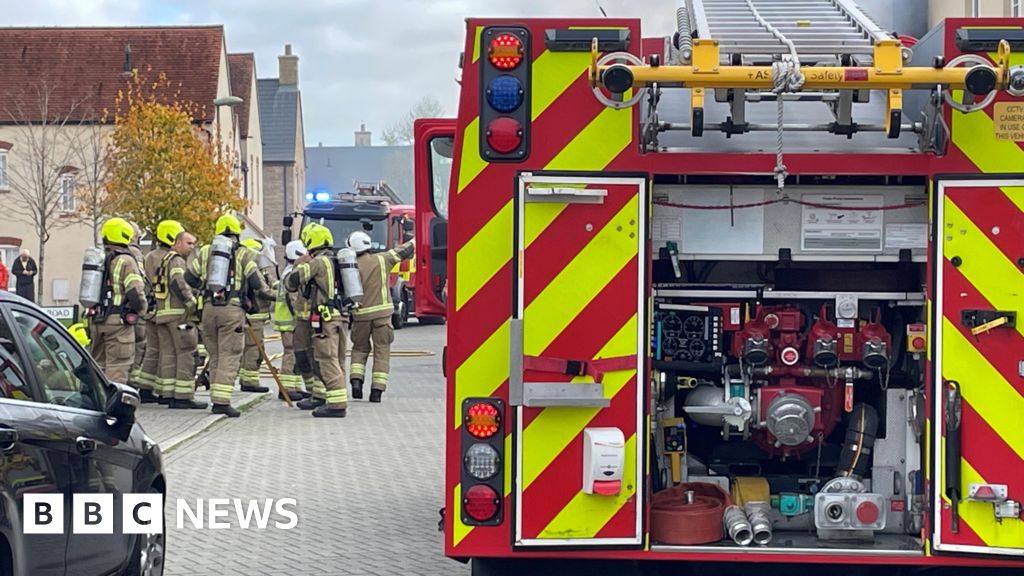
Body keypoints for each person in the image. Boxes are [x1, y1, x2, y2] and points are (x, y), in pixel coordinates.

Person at [184, 214, 274, 417]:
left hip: (208, 310)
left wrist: (205, 289)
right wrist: (276, 296)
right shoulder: (244, 254)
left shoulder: (206, 251)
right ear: (236, 233)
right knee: (229, 355)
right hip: (232, 311)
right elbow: (257, 284)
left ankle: (216, 397)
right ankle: (222, 401)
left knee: (215, 354)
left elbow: (189, 277)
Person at [285, 223, 351, 417]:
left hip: (326, 319)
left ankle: (337, 405)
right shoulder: (336, 260)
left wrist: (299, 267)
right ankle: (329, 398)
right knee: (336, 359)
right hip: (339, 317)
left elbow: (293, 281)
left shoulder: (318, 262)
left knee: (326, 358)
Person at [346, 230, 414, 403]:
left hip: (360, 316)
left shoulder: (349, 265)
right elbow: (403, 250)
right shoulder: (383, 259)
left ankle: (356, 382)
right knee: (381, 351)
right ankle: (376, 392)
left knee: (359, 349)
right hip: (383, 316)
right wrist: (417, 238)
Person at [147, 220, 204, 409]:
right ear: (177, 243)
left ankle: (167, 394)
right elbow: (179, 283)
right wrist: (193, 304)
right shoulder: (177, 260)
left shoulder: (162, 259)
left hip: (162, 316)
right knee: (186, 352)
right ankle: (183, 397)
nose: (192, 247)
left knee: (168, 354)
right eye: (189, 243)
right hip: (179, 316)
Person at [86, 218, 147, 384]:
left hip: (97, 320)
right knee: (118, 365)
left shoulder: (99, 257)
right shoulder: (126, 260)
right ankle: (114, 406)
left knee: (99, 363)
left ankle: (95, 401)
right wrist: (142, 310)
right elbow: (135, 292)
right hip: (118, 322)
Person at [273, 240, 311, 402]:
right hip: (290, 320)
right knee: (290, 354)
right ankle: (286, 389)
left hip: (287, 319)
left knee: (296, 354)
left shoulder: (289, 271)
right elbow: (293, 299)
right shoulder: (291, 274)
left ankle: (295, 386)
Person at [237, 238, 272, 394]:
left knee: (246, 348)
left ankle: (246, 379)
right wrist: (281, 296)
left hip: (249, 316)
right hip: (254, 317)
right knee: (254, 349)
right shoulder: (252, 270)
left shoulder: (244, 267)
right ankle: (250, 382)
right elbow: (262, 290)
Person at [126, 221, 153, 396]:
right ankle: (132, 384)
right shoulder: (134, 253)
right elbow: (140, 281)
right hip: (133, 309)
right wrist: (144, 306)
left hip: (110, 310)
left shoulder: (107, 253)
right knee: (138, 346)